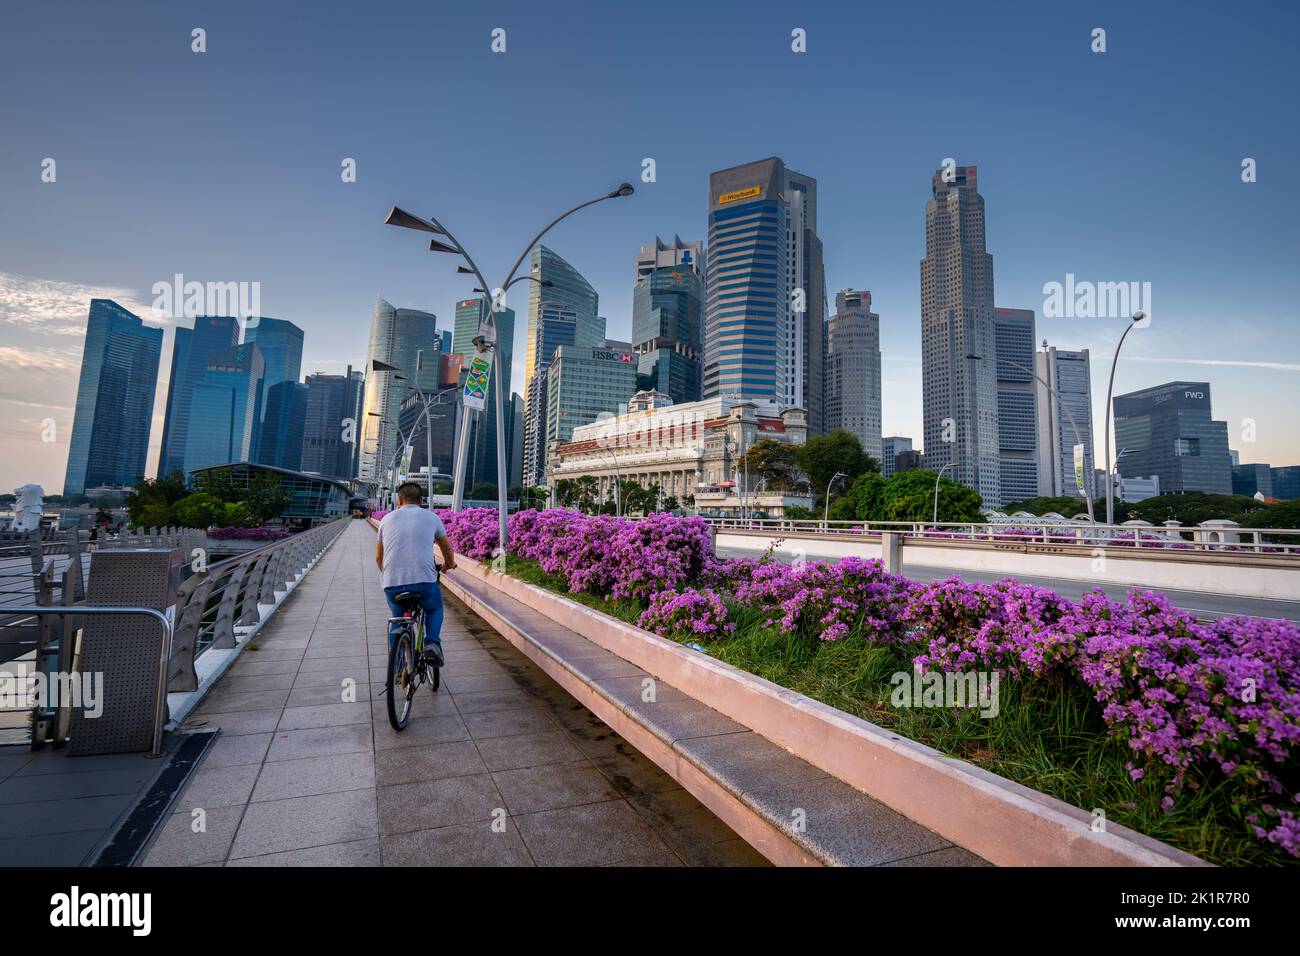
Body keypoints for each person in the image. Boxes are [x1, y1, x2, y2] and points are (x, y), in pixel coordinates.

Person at [374, 481, 456, 666]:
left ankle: (397, 666)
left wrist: (391, 573)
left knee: (398, 617)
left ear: (399, 499)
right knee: (434, 608)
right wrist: (448, 565)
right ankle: (432, 643)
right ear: (421, 500)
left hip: (392, 582)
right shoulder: (432, 517)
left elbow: (378, 557)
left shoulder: (386, 519)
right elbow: (446, 547)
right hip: (424, 581)